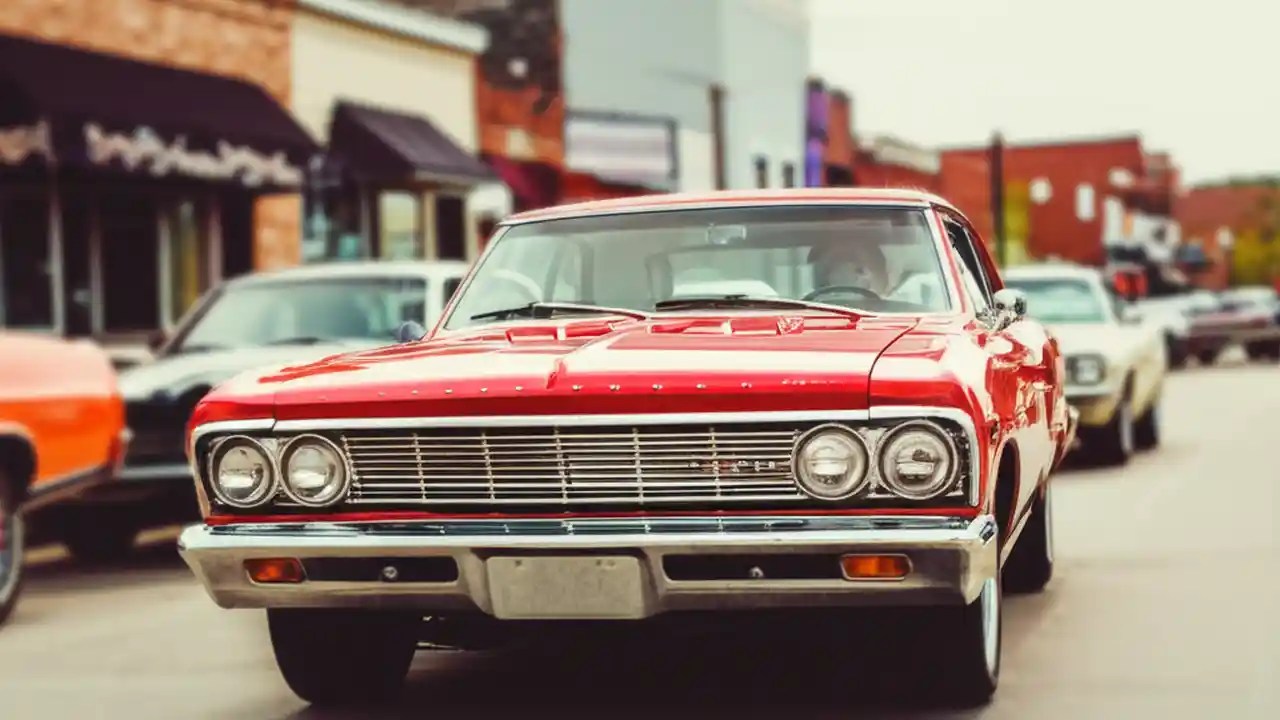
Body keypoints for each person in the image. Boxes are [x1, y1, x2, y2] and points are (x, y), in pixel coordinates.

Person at [809, 240, 890, 296]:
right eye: (836, 261)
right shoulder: (804, 314)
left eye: (860, 270)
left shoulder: (895, 316)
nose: (845, 275)